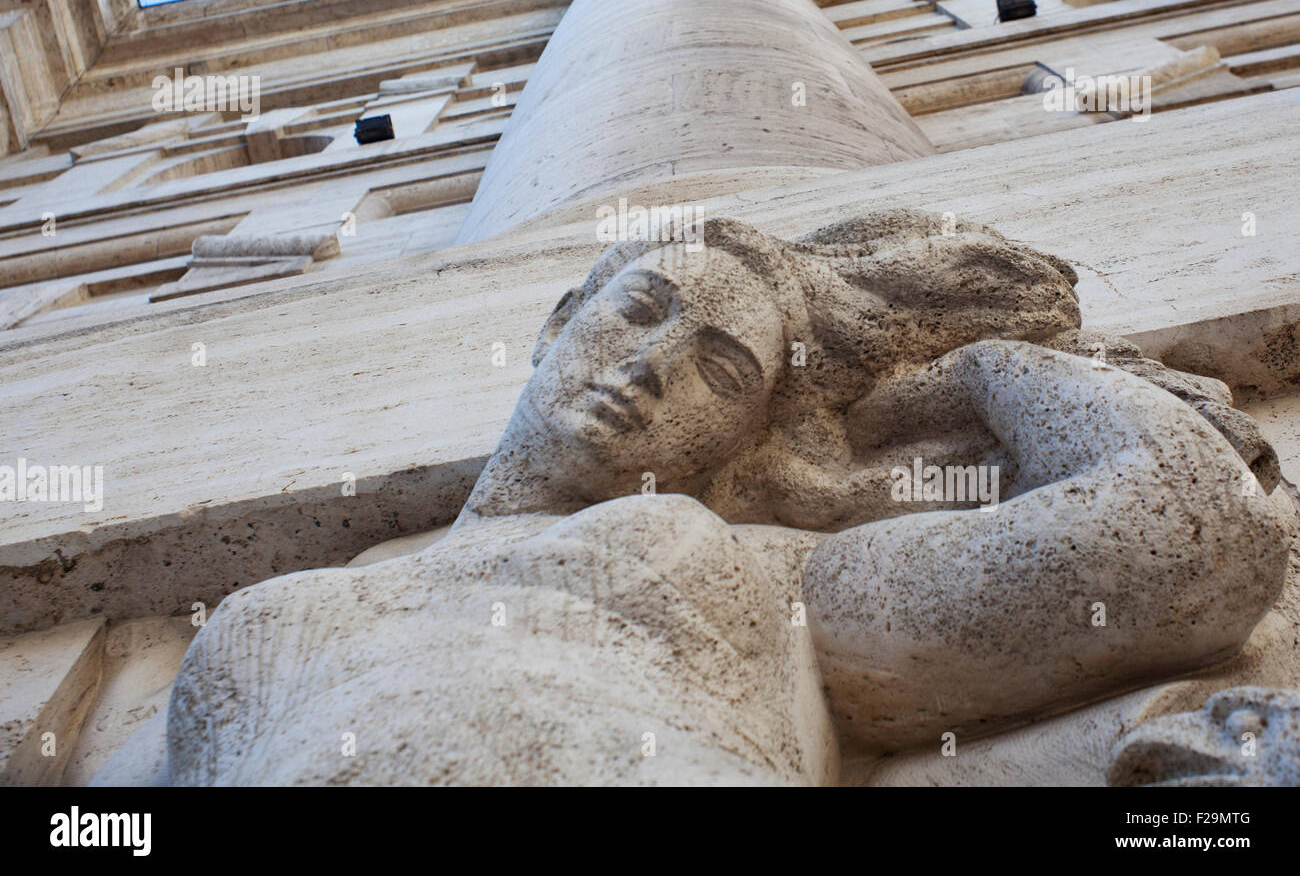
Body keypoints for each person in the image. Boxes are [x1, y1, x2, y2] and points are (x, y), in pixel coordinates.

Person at [160, 210, 1292, 785]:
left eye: (723, 371)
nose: (650, 363)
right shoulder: (294, 601)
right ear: (559, 320)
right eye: (639, 305)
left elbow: (1180, 542)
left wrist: (1002, 365)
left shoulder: (743, 566)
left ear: (741, 435)